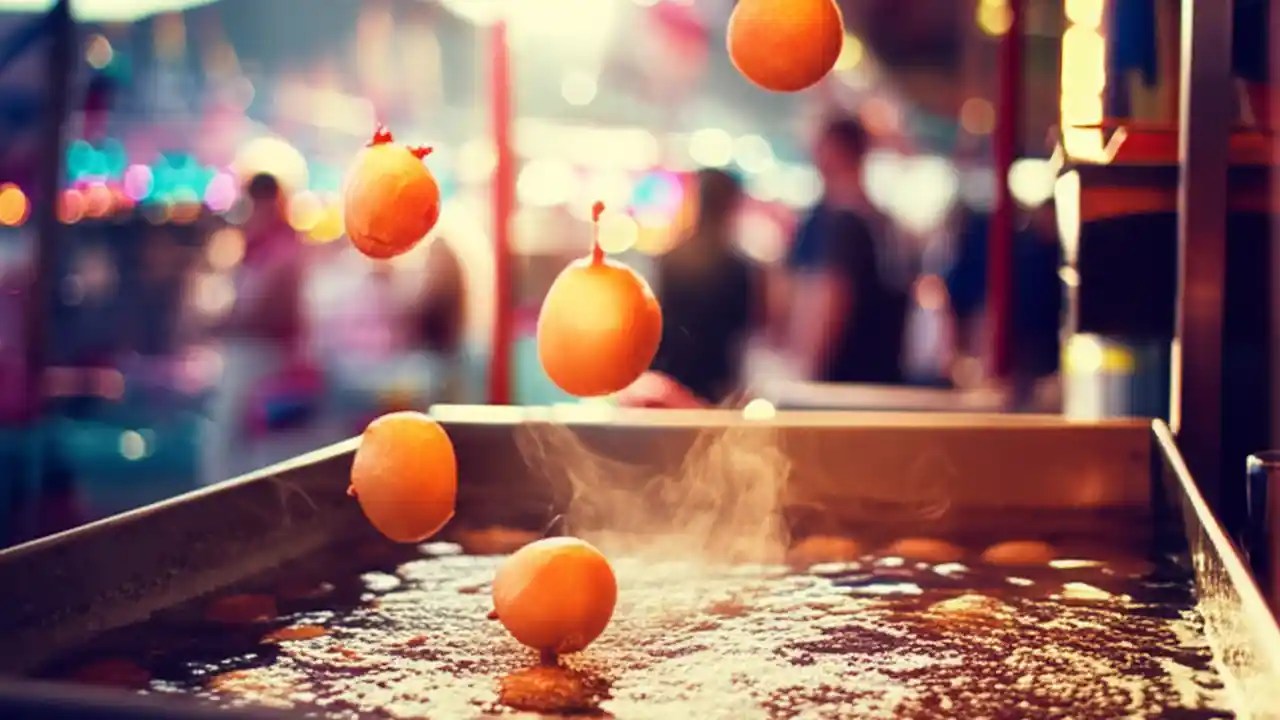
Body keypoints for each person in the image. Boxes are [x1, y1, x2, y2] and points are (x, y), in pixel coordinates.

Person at [203, 173, 310, 483]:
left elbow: (262, 311)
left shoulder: (283, 250)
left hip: (261, 360)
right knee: (235, 448)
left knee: (234, 451)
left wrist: (220, 321)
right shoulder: (259, 247)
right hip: (255, 358)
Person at [647, 169, 761, 405]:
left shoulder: (668, 260)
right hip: (717, 391)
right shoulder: (740, 268)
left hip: (666, 387)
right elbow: (750, 327)